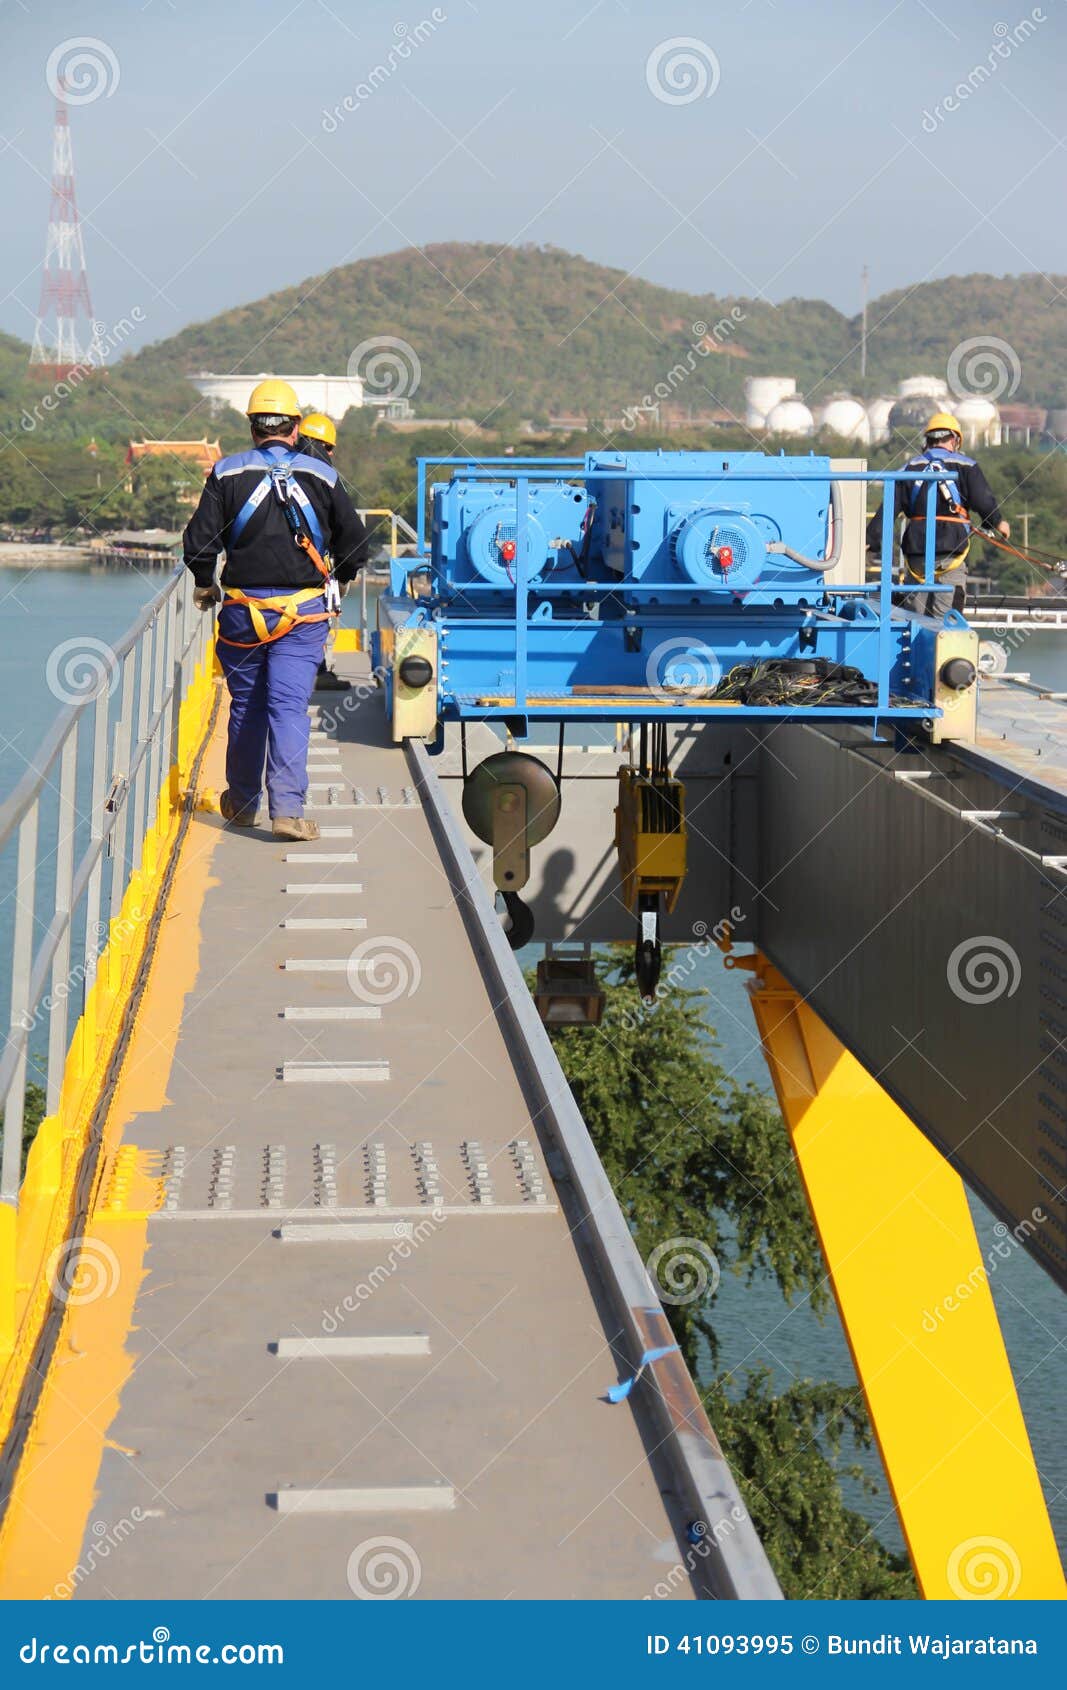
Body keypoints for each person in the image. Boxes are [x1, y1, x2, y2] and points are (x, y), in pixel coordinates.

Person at [182, 379, 368, 842]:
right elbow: (355, 542)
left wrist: (205, 585)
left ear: (252, 427)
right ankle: (286, 810)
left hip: (243, 613)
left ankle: (242, 804)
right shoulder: (321, 475)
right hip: (303, 615)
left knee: (246, 705)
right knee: (287, 708)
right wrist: (340, 579)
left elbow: (199, 543)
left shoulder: (225, 474)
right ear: (296, 426)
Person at [866, 411, 1010, 614]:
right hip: (952, 549)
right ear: (955, 439)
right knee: (946, 621)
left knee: (914, 618)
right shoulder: (966, 465)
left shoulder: (908, 469)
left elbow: (889, 508)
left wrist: (871, 539)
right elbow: (982, 499)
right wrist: (997, 522)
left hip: (917, 552)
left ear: (928, 440)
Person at [296, 412, 351, 693]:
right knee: (314, 620)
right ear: (327, 448)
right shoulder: (327, 478)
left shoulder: (278, 469)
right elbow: (350, 534)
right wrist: (344, 574)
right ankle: (316, 671)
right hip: (314, 568)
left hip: (265, 576)